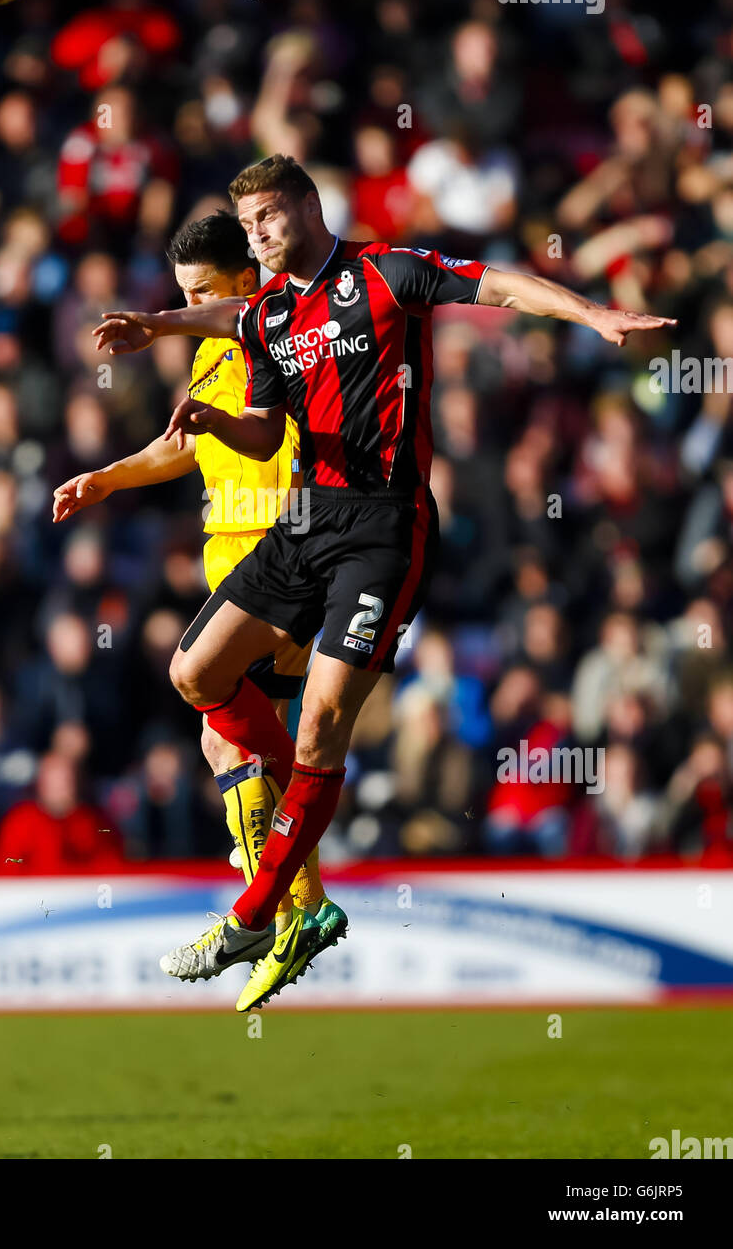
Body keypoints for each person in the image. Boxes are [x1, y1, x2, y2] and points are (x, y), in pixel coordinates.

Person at [93, 153, 678, 1012]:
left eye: (265, 222)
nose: (256, 240)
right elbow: (259, 436)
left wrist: (592, 313)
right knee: (193, 674)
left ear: (306, 205)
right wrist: (203, 399)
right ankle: (289, 865)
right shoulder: (267, 319)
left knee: (326, 719)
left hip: (384, 528)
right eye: (247, 229)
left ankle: (259, 913)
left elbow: (500, 285)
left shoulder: (386, 274)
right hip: (303, 520)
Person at [53, 210, 345, 978]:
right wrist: (108, 478)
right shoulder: (216, 354)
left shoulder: (273, 337)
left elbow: (266, 430)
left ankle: (283, 905)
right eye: (179, 293)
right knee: (244, 743)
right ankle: (289, 908)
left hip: (277, 564)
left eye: (201, 292)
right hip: (241, 571)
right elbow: (184, 444)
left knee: (227, 734)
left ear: (247, 282)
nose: (185, 308)